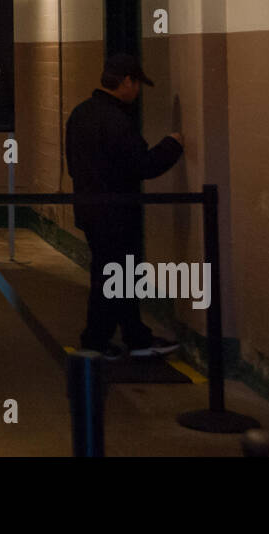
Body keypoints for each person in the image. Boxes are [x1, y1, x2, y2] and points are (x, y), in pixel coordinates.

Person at [65, 53, 184, 360]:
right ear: (127, 81)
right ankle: (99, 342)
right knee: (115, 276)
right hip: (116, 212)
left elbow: (75, 166)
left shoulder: (80, 114)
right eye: (137, 84)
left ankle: (131, 337)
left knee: (114, 274)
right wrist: (173, 144)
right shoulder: (117, 121)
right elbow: (143, 165)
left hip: (90, 207)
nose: (138, 92)